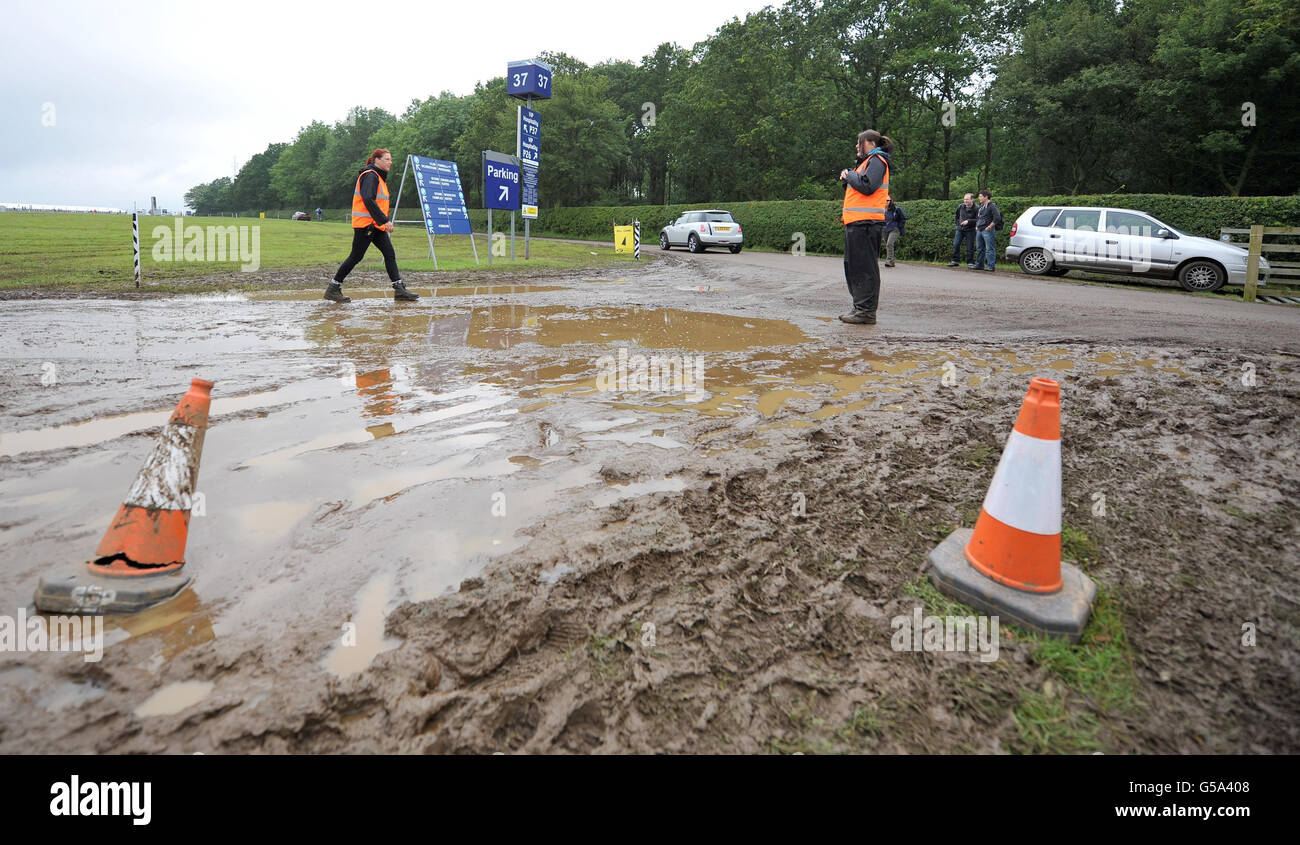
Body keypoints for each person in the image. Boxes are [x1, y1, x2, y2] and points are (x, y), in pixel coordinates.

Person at [325, 148, 419, 302]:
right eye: (387, 159)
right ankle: (333, 288)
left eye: (390, 159)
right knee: (356, 256)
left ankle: (399, 289)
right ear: (377, 160)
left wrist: (381, 221)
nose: (390, 162)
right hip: (367, 225)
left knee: (389, 254)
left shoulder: (378, 177)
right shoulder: (370, 176)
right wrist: (385, 220)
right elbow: (368, 199)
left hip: (375, 225)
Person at [838, 129, 893, 324]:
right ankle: (859, 307)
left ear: (869, 143)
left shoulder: (877, 160)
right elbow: (859, 186)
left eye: (858, 142)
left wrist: (850, 175)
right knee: (853, 267)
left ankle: (866, 312)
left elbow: (868, 187)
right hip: (857, 222)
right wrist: (848, 178)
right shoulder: (866, 163)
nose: (856, 146)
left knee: (865, 268)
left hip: (867, 223)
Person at [974, 189, 1003, 271]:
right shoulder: (981, 206)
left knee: (989, 248)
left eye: (980, 196)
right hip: (979, 229)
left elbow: (997, 217)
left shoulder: (992, 205)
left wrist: (990, 226)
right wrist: (976, 225)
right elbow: (978, 217)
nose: (979, 198)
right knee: (980, 248)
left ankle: (991, 266)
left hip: (987, 230)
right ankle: (980, 265)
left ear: (986, 197)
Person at [949, 193, 978, 268]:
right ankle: (955, 261)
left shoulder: (977, 208)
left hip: (970, 230)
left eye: (967, 199)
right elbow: (957, 216)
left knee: (970, 247)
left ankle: (970, 262)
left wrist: (969, 221)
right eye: (964, 199)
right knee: (956, 244)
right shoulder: (961, 206)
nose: (965, 201)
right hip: (960, 229)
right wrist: (957, 224)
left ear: (972, 199)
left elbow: (979, 219)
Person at [882, 198, 906, 267]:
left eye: (887, 200)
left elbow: (903, 218)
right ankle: (891, 261)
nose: (886, 202)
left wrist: (899, 226)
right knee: (888, 245)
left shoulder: (896, 209)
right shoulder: (881, 209)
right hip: (885, 229)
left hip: (894, 229)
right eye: (884, 200)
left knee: (889, 243)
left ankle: (889, 261)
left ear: (890, 201)